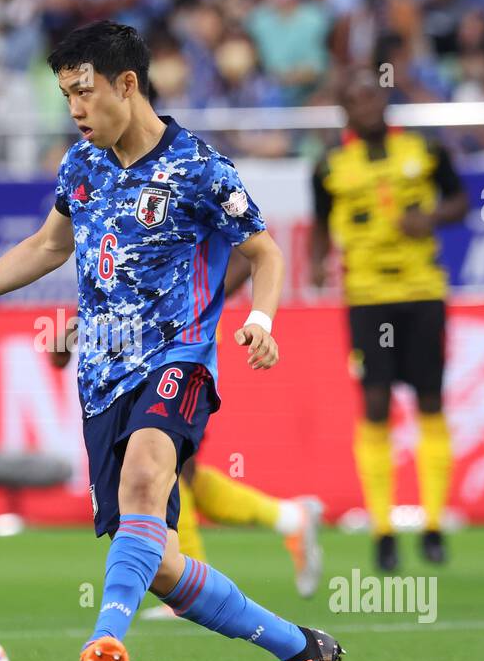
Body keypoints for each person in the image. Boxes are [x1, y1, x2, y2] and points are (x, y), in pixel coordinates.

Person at [0, 21, 344, 661]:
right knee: (161, 564)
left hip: (178, 359)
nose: (74, 109)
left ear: (126, 85)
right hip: (101, 376)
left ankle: (105, 642)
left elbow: (265, 252)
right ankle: (301, 649)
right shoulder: (82, 164)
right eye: (65, 95)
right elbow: (53, 247)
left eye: (83, 92)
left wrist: (259, 320)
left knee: (146, 475)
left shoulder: (199, 168)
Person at [47, 250, 326, 610]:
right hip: (135, 354)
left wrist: (192, 303)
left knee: (165, 461)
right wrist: (76, 325)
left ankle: (185, 588)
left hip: (183, 349)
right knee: (179, 471)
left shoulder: (197, 195)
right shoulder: (121, 202)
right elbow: (115, 275)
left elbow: (249, 251)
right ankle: (291, 519)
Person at [311, 73, 467, 571]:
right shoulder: (330, 166)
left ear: (386, 102)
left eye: (372, 96)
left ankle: (434, 523)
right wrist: (317, 261)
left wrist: (433, 217)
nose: (366, 106)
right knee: (375, 402)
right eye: (354, 100)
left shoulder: (426, 151)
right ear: (345, 114)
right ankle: (382, 529)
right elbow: (319, 224)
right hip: (367, 298)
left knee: (430, 399)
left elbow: (460, 200)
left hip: (422, 292)